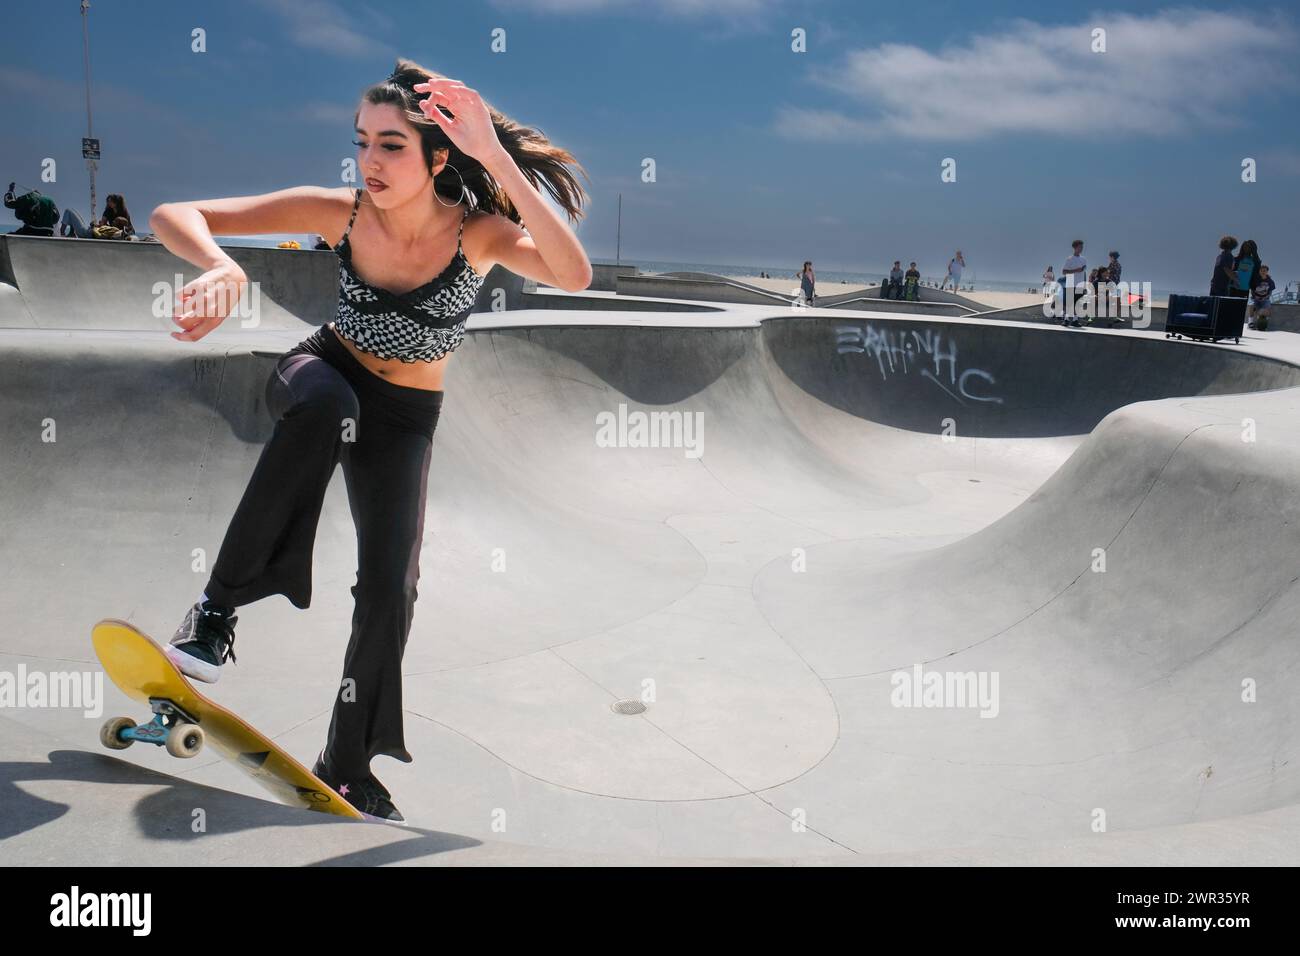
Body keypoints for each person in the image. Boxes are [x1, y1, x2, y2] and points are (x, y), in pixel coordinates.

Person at [148, 58, 592, 821]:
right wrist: (220, 265)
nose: (370, 162)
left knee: (392, 589)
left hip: (405, 417)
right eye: (362, 142)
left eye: (391, 146)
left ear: (438, 158)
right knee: (323, 407)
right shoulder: (341, 213)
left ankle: (346, 760)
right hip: (322, 370)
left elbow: (573, 273)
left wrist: (493, 154)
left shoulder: (479, 235)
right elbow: (173, 214)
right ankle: (215, 612)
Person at [1059, 239, 1087, 327]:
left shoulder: (1084, 259)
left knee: (1077, 303)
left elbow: (1083, 272)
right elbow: (1064, 272)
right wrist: (1075, 270)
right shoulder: (1069, 259)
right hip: (1070, 283)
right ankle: (1066, 320)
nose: (1081, 248)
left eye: (1082, 247)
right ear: (1075, 247)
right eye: (1080, 247)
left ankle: (1075, 320)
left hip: (1080, 284)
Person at [1247, 264, 1275, 330]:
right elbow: (1252, 290)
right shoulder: (1255, 279)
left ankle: (1263, 323)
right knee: (1251, 305)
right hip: (1255, 298)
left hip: (1265, 299)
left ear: (1267, 272)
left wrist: (1266, 297)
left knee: (1267, 309)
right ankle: (1250, 322)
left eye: (1264, 271)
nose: (1263, 272)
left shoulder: (1270, 281)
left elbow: (1270, 291)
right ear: (1259, 271)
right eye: (1261, 270)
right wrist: (1255, 297)